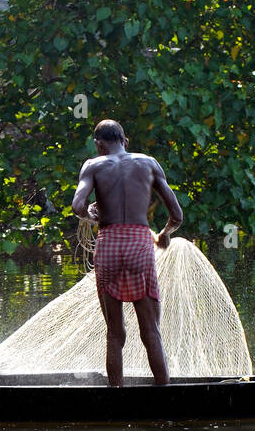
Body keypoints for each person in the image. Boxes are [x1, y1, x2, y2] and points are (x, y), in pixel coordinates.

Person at [71, 119, 183, 387]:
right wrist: (164, 234)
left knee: (115, 333)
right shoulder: (148, 163)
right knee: (150, 331)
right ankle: (165, 396)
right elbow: (177, 215)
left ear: (99, 144)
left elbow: (77, 205)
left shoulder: (93, 165)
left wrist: (90, 215)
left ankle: (117, 397)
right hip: (138, 244)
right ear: (125, 140)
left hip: (108, 245)